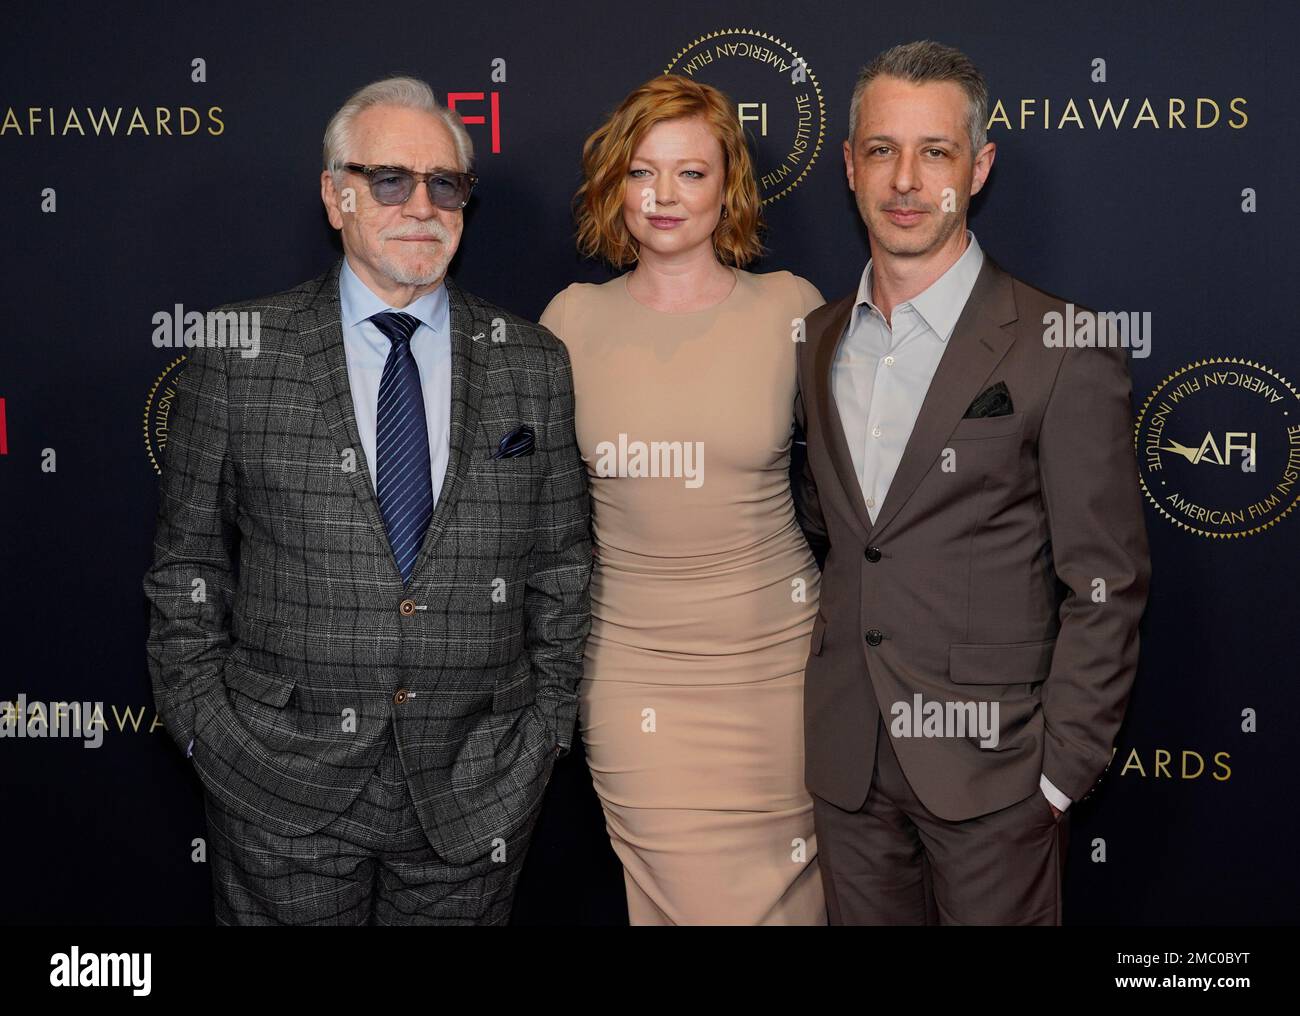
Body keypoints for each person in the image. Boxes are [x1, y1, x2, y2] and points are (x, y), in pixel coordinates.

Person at [143, 76, 591, 925]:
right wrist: (212, 737)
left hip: (475, 787)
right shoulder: (237, 353)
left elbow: (563, 568)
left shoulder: (535, 361)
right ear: (335, 194)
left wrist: (543, 736)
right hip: (277, 784)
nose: (420, 205)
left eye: (444, 183)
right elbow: (188, 568)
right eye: (389, 179)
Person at [794, 40, 1151, 925]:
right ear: (849, 165)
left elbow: (1104, 583)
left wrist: (1061, 776)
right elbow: (843, 534)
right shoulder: (817, 337)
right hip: (847, 765)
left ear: (979, 166)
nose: (907, 180)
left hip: (997, 776)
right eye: (882, 150)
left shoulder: (1062, 344)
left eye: (936, 151)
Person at [539, 75, 826, 924]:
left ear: (727, 185)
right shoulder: (571, 319)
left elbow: (852, 494)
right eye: (642, 171)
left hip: (781, 671)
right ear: (614, 184)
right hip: (636, 674)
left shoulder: (792, 308)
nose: (665, 196)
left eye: (691, 173)